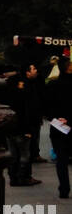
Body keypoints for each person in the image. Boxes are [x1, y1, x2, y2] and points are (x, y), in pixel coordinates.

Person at [3, 67, 41, 187]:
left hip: (10, 128)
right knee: (24, 154)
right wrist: (28, 129)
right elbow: (28, 111)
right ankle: (22, 177)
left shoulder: (10, 96)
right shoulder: (26, 94)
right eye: (34, 69)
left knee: (13, 155)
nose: (36, 71)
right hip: (22, 128)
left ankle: (13, 177)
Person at [45, 57, 72, 199]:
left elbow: (47, 106)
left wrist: (57, 118)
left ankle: (64, 188)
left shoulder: (52, 85)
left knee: (61, 160)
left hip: (58, 127)